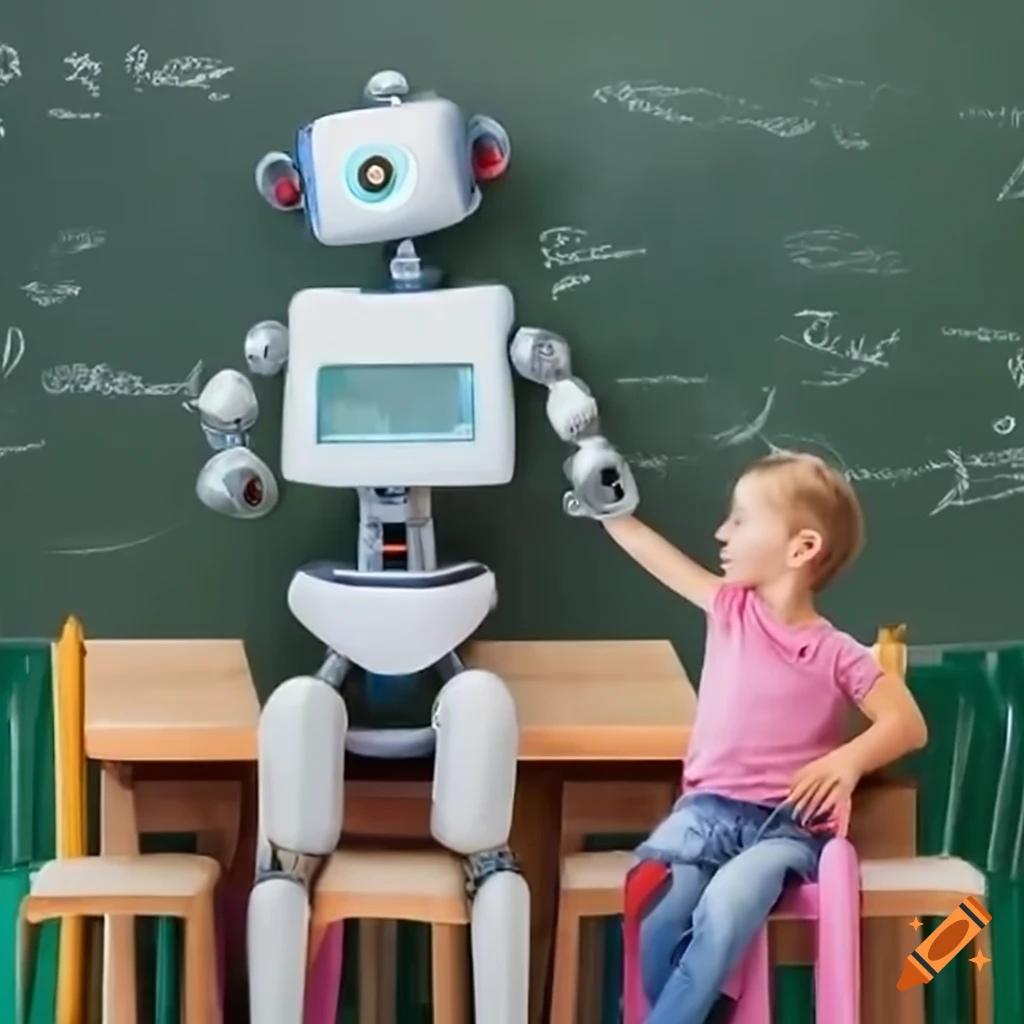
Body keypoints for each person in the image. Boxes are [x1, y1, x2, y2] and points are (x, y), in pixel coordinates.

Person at [603, 450, 928, 1024]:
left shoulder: (835, 652)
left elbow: (907, 723)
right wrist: (609, 511)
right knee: (660, 913)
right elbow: (659, 558)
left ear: (801, 548)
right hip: (703, 815)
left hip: (785, 826)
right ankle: (701, 1011)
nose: (721, 533)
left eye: (740, 519)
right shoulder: (729, 610)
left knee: (729, 902)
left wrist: (848, 762)